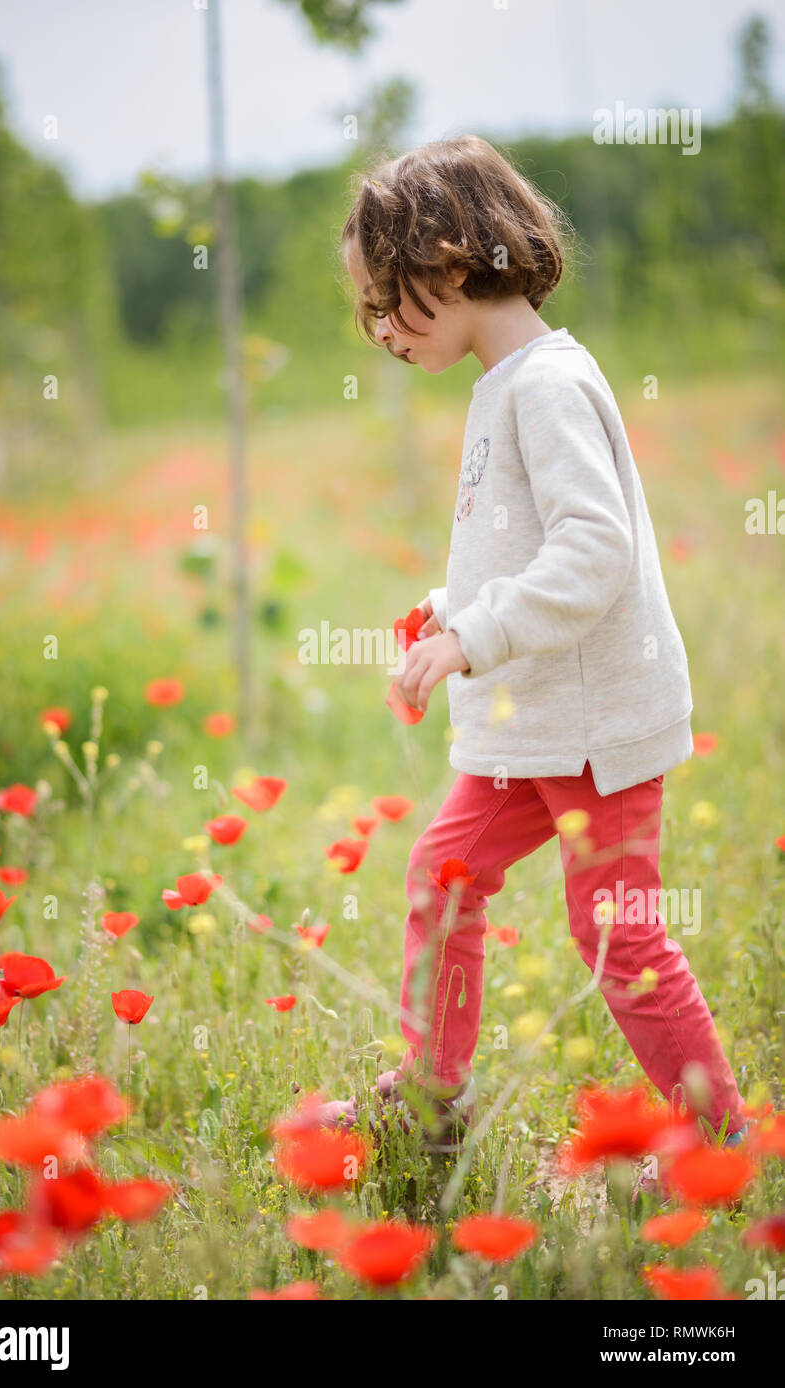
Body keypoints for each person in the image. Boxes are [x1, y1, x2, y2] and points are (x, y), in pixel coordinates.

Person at [317, 135, 748, 1158]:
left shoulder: (545, 386)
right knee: (444, 871)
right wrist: (448, 609)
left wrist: (477, 634)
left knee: (619, 935)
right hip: (534, 724)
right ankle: (432, 1095)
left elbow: (595, 552)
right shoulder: (504, 382)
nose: (378, 328)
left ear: (453, 262)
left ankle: (724, 1144)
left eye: (387, 299)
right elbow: (525, 547)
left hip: (592, 729)